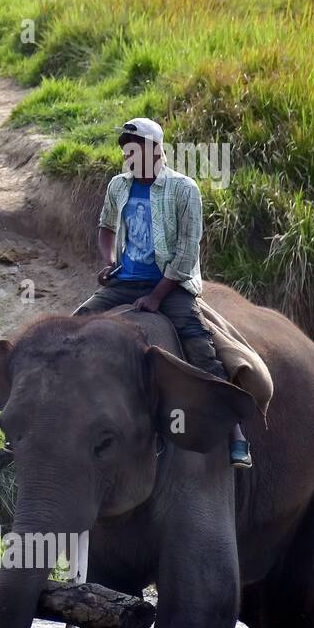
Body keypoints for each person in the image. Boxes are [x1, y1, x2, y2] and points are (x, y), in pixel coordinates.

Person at [73, 117, 251, 468]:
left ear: (155, 150)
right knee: (76, 327)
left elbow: (187, 252)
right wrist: (109, 262)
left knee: (200, 347)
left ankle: (236, 434)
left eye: (135, 148)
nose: (128, 155)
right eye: (126, 149)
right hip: (125, 281)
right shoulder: (118, 186)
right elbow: (106, 227)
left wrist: (157, 296)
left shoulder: (184, 189)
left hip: (172, 284)